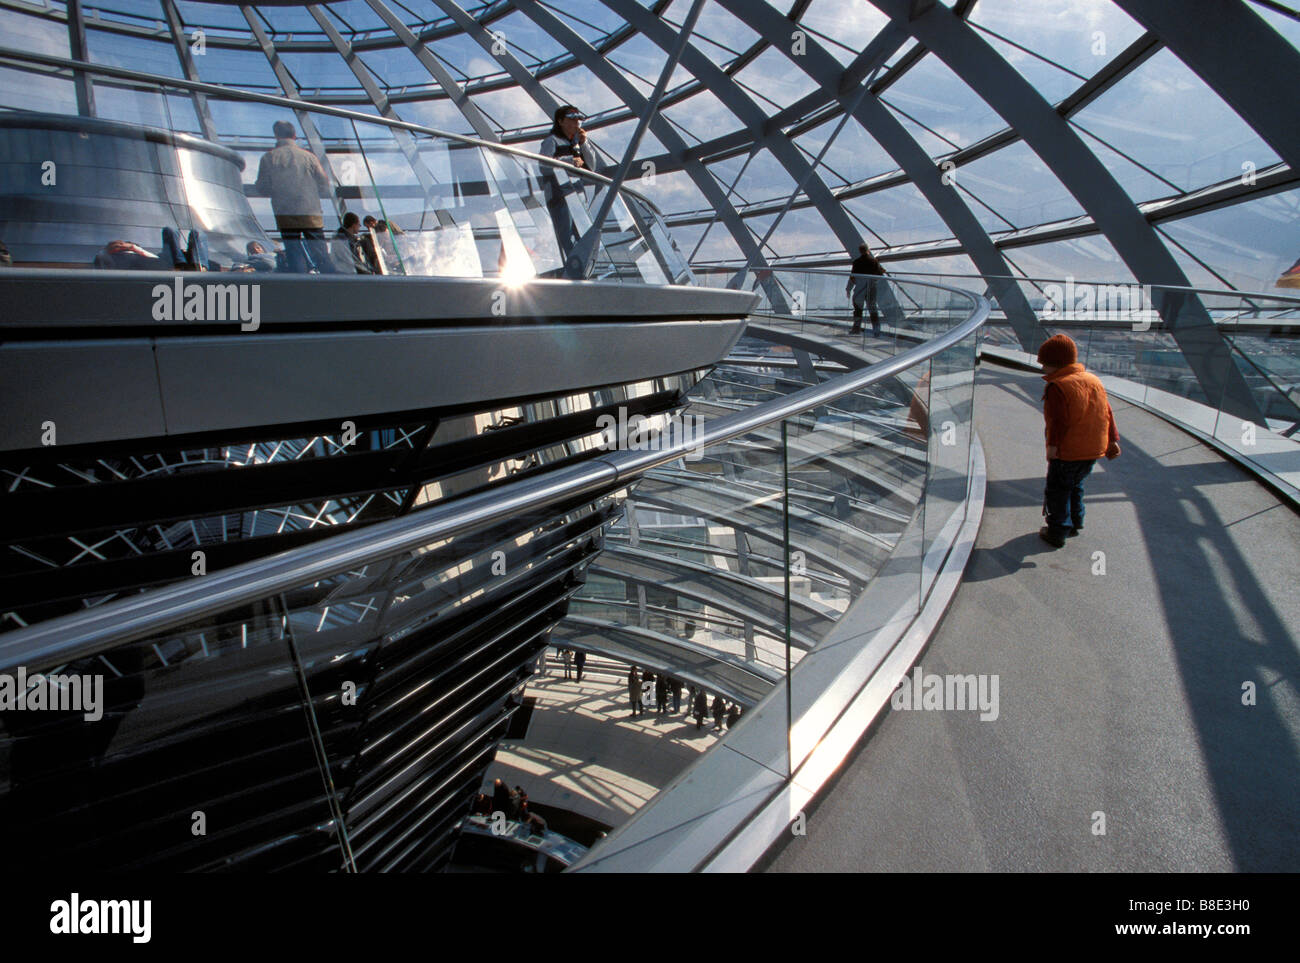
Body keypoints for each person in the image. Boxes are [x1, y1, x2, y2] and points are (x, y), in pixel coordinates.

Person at [1037, 334, 1121, 548]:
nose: (1042, 367)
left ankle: (1057, 531)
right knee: (1076, 486)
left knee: (1058, 490)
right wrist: (1112, 440)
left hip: (1068, 451)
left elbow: (1058, 423)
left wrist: (1053, 448)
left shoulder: (1058, 386)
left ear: (1053, 363)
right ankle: (1075, 522)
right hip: (1093, 449)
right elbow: (1107, 412)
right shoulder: (1093, 380)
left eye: (1044, 363)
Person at [255, 119, 335, 274]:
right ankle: (331, 284)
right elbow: (323, 182)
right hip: (310, 211)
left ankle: (301, 286)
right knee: (320, 252)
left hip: (285, 212)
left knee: (294, 251)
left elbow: (262, 187)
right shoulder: (309, 157)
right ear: (295, 135)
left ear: (276, 135)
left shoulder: (268, 158)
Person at [540, 105, 594, 263]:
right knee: (566, 235)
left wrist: (584, 144)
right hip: (559, 195)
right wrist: (569, 161)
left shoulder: (577, 143)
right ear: (560, 121)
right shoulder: (551, 141)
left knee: (585, 234)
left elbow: (592, 167)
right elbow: (544, 165)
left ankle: (582, 268)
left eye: (578, 119)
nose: (577, 123)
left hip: (577, 195)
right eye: (572, 119)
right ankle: (572, 269)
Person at [846, 243, 887, 336]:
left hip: (859, 289)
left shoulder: (857, 262)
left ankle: (856, 328)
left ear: (860, 251)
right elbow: (880, 273)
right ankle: (876, 330)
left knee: (858, 309)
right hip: (871, 288)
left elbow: (852, 277)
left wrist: (848, 289)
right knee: (872, 309)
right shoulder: (874, 261)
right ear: (868, 250)